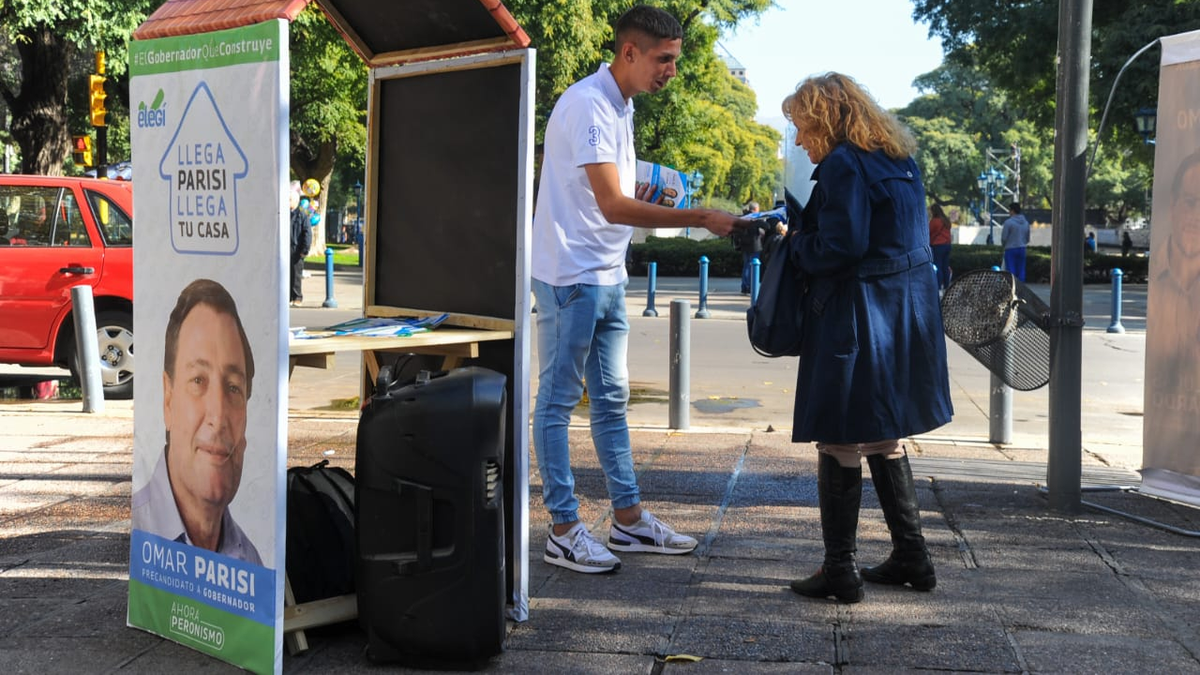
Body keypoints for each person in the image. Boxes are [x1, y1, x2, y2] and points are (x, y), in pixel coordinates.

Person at [531, 4, 747, 574]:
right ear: (629, 52)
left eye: (674, 60)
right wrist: (699, 217)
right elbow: (611, 204)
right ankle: (563, 529)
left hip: (605, 272)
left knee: (610, 401)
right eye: (664, 60)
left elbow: (609, 192)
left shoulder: (619, 105)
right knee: (556, 403)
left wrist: (649, 190)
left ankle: (627, 521)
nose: (671, 71)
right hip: (571, 275)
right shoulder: (589, 105)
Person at [780, 72, 952, 603]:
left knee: (838, 434)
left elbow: (841, 247)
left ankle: (840, 568)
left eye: (803, 128)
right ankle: (912, 556)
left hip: (857, 313)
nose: (800, 141)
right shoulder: (899, 158)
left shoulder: (842, 163)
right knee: (883, 433)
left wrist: (793, 242)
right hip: (906, 313)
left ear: (825, 120)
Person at [131, 278, 261, 565]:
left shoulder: (251, 564)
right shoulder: (142, 535)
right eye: (198, 380)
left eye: (233, 388)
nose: (218, 415)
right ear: (168, 399)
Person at [290, 193, 311, 307]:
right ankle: (289, 297)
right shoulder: (284, 214)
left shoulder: (302, 216)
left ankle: (297, 297)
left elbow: (307, 234)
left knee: (296, 275)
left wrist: (305, 250)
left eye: (290, 200)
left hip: (297, 250)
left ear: (296, 201)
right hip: (287, 249)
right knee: (287, 274)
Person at [1000, 202, 1031, 281]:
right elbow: (1027, 238)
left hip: (1010, 249)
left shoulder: (1008, 222)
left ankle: (1012, 286)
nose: (1009, 212)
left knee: (1011, 270)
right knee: (1021, 270)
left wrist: (1004, 245)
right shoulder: (1026, 223)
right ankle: (1021, 286)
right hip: (1022, 248)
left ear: (1013, 211)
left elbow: (1004, 238)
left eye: (1009, 210)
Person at [739, 201, 763, 293]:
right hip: (754, 245)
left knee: (746, 265)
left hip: (744, 245)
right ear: (756, 209)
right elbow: (766, 226)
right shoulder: (755, 217)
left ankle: (744, 286)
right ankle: (750, 286)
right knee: (753, 266)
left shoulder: (743, 217)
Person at [928, 203, 952, 290]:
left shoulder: (934, 221)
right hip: (947, 245)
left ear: (934, 211)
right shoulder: (946, 220)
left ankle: (938, 286)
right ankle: (946, 286)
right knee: (945, 266)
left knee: (938, 266)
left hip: (938, 246)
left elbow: (928, 232)